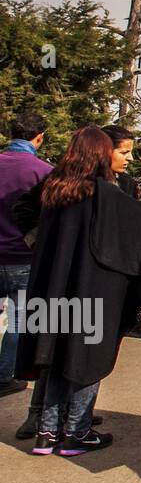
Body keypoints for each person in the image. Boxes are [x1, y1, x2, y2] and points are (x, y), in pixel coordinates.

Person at [20, 126, 141, 456]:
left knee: (54, 357)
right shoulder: (108, 197)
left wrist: (37, 242)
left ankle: (47, 433)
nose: (128, 157)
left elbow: (23, 210)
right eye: (122, 151)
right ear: (100, 154)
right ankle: (77, 431)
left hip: (52, 289)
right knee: (86, 360)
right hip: (91, 291)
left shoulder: (55, 188)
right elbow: (137, 241)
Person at [0, 113, 52, 399]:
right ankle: (5, 374)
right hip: (22, 255)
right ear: (40, 137)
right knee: (19, 320)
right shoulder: (43, 171)